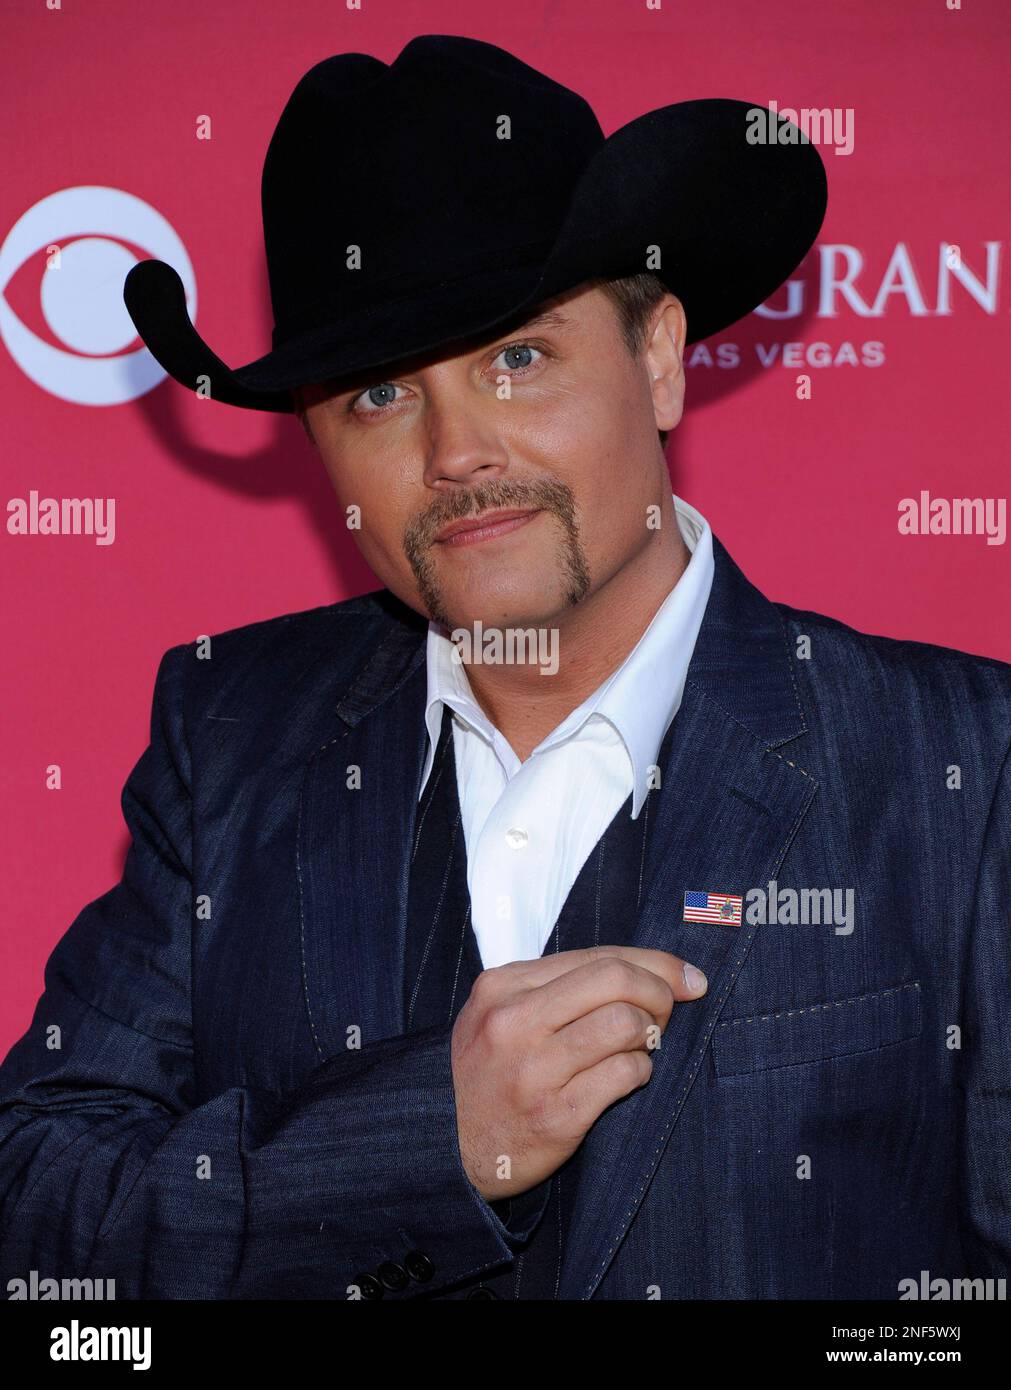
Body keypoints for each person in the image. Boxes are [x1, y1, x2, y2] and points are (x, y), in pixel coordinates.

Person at [1, 34, 1008, 1301]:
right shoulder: (229, 736)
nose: (457, 452)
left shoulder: (965, 764)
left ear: (655, 360)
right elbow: (38, 1209)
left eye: (516, 358)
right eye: (378, 395)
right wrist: (427, 1140)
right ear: (316, 445)